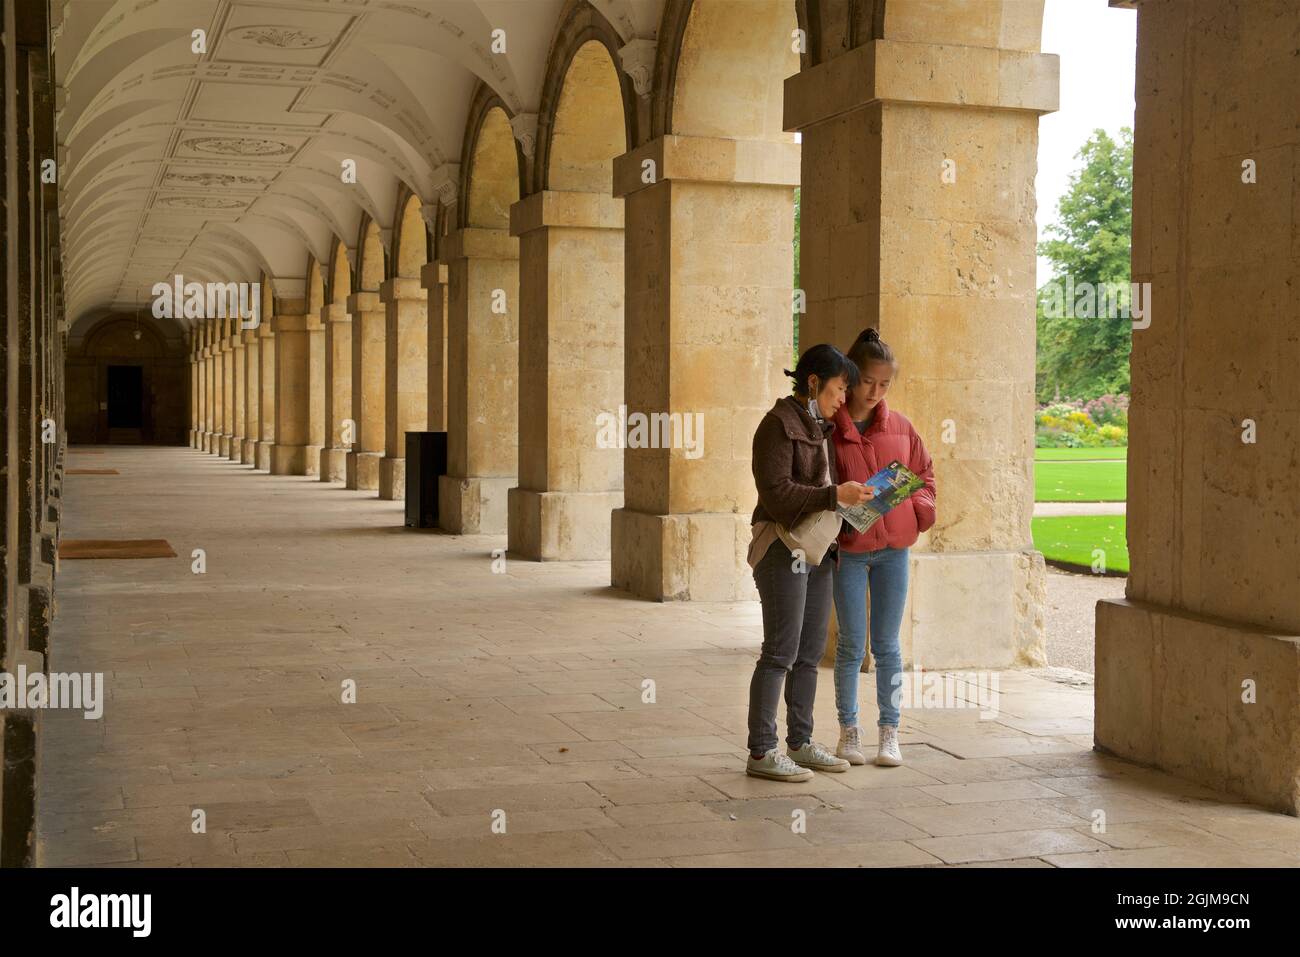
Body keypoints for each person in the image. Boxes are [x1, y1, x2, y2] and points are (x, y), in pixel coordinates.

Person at [745, 343, 871, 782]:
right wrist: (836, 495)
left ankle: (799, 744)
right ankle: (761, 751)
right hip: (782, 547)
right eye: (839, 389)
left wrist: (858, 502)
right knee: (780, 651)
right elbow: (778, 495)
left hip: (818, 549)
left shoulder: (821, 428)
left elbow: (824, 492)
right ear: (814, 383)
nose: (844, 399)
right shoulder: (776, 425)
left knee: (809, 653)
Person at [829, 328, 936, 768]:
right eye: (869, 382)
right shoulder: (829, 430)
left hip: (894, 551)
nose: (876, 392)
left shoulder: (903, 428)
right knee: (852, 645)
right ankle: (848, 731)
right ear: (852, 377)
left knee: (888, 645)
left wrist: (915, 513)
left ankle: (890, 733)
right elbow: (818, 487)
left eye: (885, 384)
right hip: (849, 552)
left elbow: (925, 477)